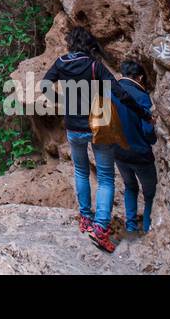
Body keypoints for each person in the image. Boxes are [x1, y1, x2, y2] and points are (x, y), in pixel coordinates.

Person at [40, 26, 150, 254]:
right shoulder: (94, 66)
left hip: (73, 127)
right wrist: (143, 113)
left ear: (70, 43)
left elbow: (44, 85)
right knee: (106, 178)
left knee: (80, 171)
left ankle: (85, 218)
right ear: (89, 44)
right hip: (97, 126)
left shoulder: (61, 63)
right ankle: (100, 228)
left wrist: (62, 102)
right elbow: (120, 92)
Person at [113, 59, 158, 234]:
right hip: (139, 153)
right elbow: (147, 130)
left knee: (130, 186)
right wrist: (152, 140)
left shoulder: (111, 92)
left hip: (117, 151)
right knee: (150, 193)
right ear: (139, 78)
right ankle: (147, 228)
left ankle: (131, 226)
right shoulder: (141, 96)